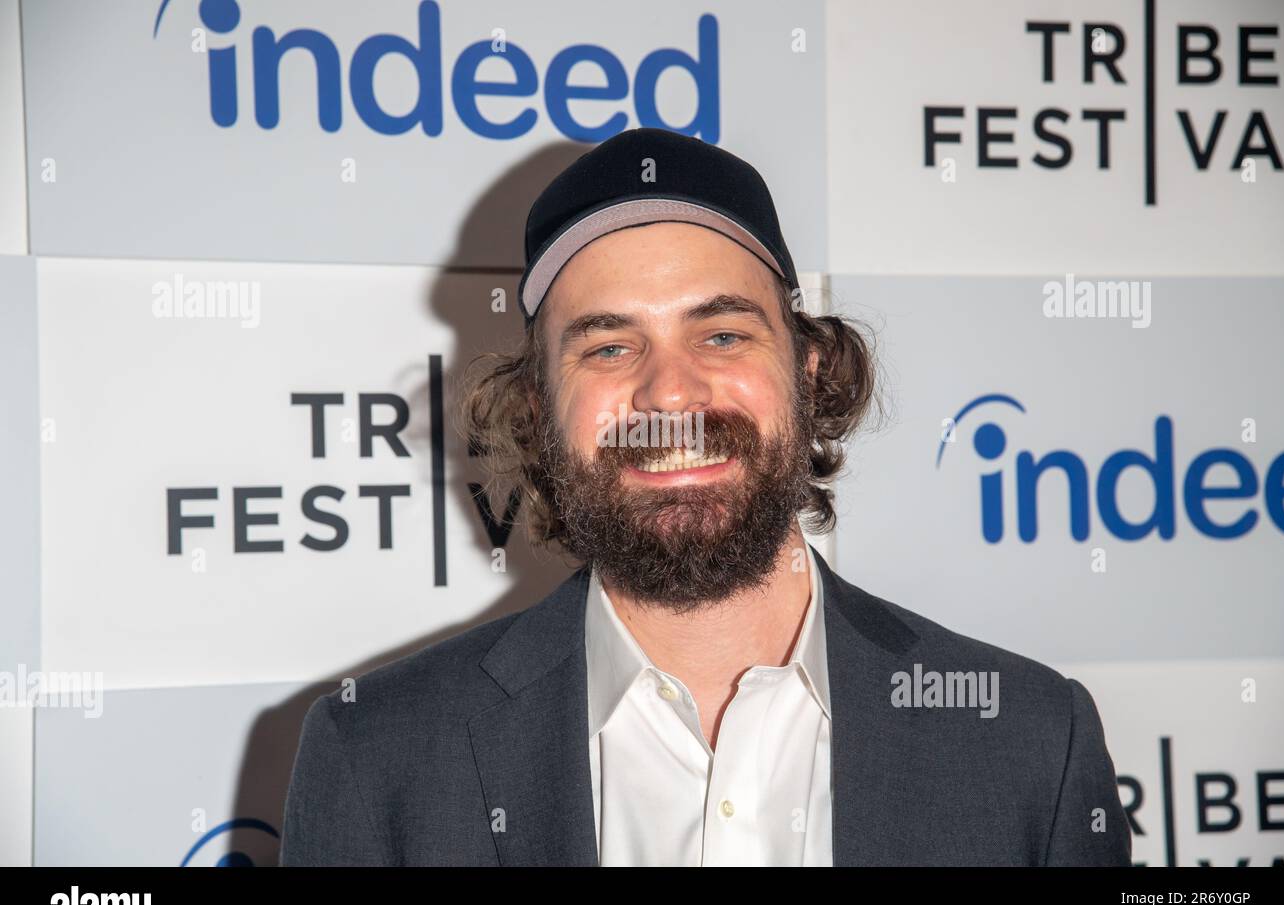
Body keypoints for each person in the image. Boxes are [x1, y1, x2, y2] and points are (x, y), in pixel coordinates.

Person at [280, 127, 1131, 866]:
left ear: (809, 371)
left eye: (721, 334)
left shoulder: (1027, 741)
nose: (670, 395)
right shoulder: (376, 757)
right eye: (609, 347)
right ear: (537, 410)